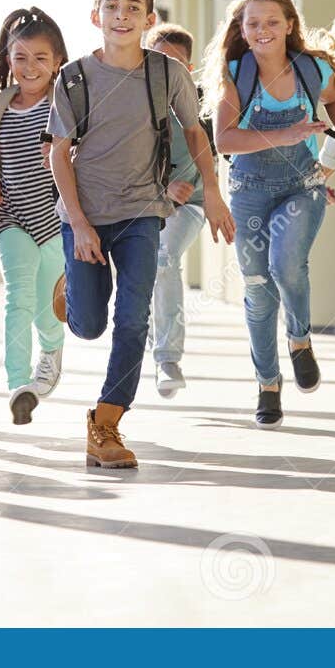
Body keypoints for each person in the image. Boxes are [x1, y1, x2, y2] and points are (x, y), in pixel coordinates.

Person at [49, 0, 234, 468]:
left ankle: (106, 424)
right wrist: (81, 225)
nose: (122, 15)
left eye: (133, 7)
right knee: (88, 325)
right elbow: (58, 153)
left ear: (149, 18)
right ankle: (73, 284)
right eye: (112, 6)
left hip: (142, 211)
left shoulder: (166, 73)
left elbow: (196, 134)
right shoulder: (75, 77)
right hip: (85, 214)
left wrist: (212, 193)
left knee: (134, 318)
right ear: (95, 15)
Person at [204, 0, 335, 428]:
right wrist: (288, 134)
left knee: (286, 265)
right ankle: (268, 384)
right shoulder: (237, 75)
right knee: (256, 287)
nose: (263, 30)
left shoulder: (312, 70)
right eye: (253, 23)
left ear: (290, 25)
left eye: (273, 21)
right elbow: (225, 140)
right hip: (249, 189)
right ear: (242, 29)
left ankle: (299, 339)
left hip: (303, 184)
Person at [0, 7, 70, 425]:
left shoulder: (64, 105)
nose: (30, 67)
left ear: (58, 61)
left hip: (55, 219)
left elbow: (85, 152)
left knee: (47, 307)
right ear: (9, 60)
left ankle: (51, 347)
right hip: (9, 217)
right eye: (21, 58)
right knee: (18, 298)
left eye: (40, 58)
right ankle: (18, 384)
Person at [143, 23, 214, 398]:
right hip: (139, 204)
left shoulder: (203, 104)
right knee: (146, 267)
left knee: (165, 256)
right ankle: (150, 332)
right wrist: (160, 188)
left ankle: (167, 357)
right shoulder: (132, 101)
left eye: (179, 63)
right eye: (161, 60)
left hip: (191, 205)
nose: (170, 69)